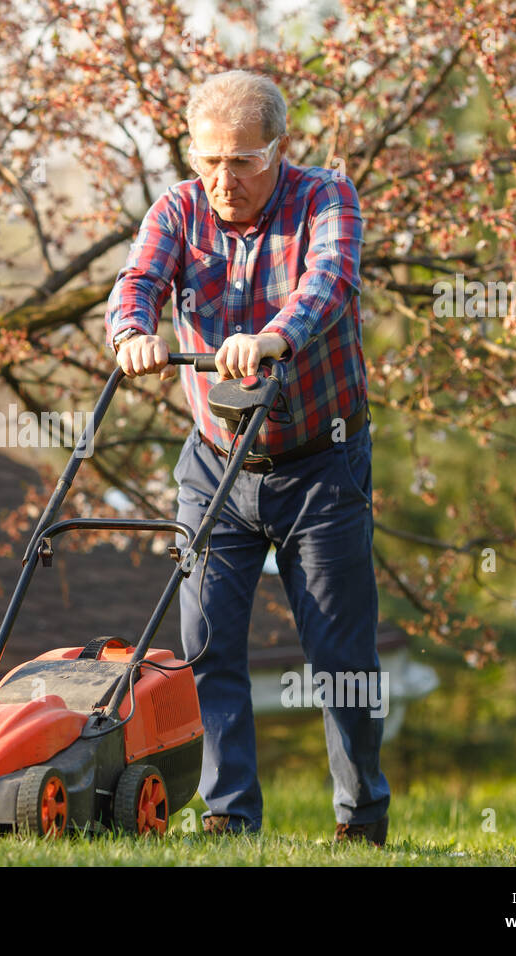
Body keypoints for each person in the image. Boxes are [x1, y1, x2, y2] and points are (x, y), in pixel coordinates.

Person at [103, 70, 390, 844]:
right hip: (215, 467)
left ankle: (360, 818)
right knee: (206, 648)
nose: (223, 180)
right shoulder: (178, 208)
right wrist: (132, 333)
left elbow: (329, 283)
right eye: (208, 161)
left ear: (279, 150)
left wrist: (273, 337)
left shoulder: (328, 197)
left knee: (341, 652)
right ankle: (231, 820)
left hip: (320, 462)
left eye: (243, 161)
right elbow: (138, 280)